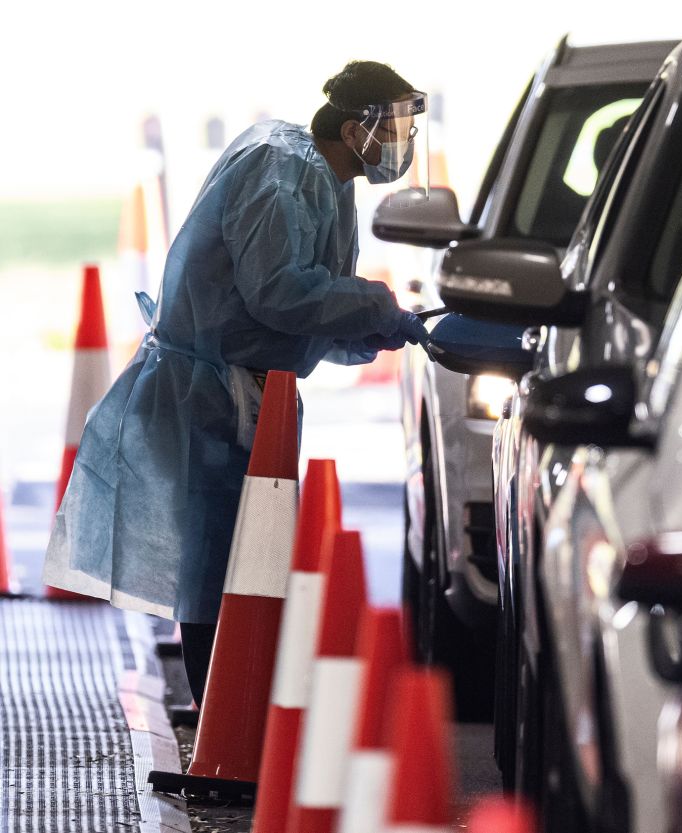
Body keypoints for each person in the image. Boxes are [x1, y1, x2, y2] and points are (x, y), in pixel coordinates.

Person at [44, 61, 432, 704]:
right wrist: (373, 309)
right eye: (393, 124)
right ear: (353, 125)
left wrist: (369, 332)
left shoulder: (326, 178)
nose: (402, 142)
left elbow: (300, 304)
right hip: (212, 392)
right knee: (216, 563)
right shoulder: (286, 170)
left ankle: (236, 709)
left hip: (248, 387)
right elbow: (278, 292)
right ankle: (221, 715)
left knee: (241, 559)